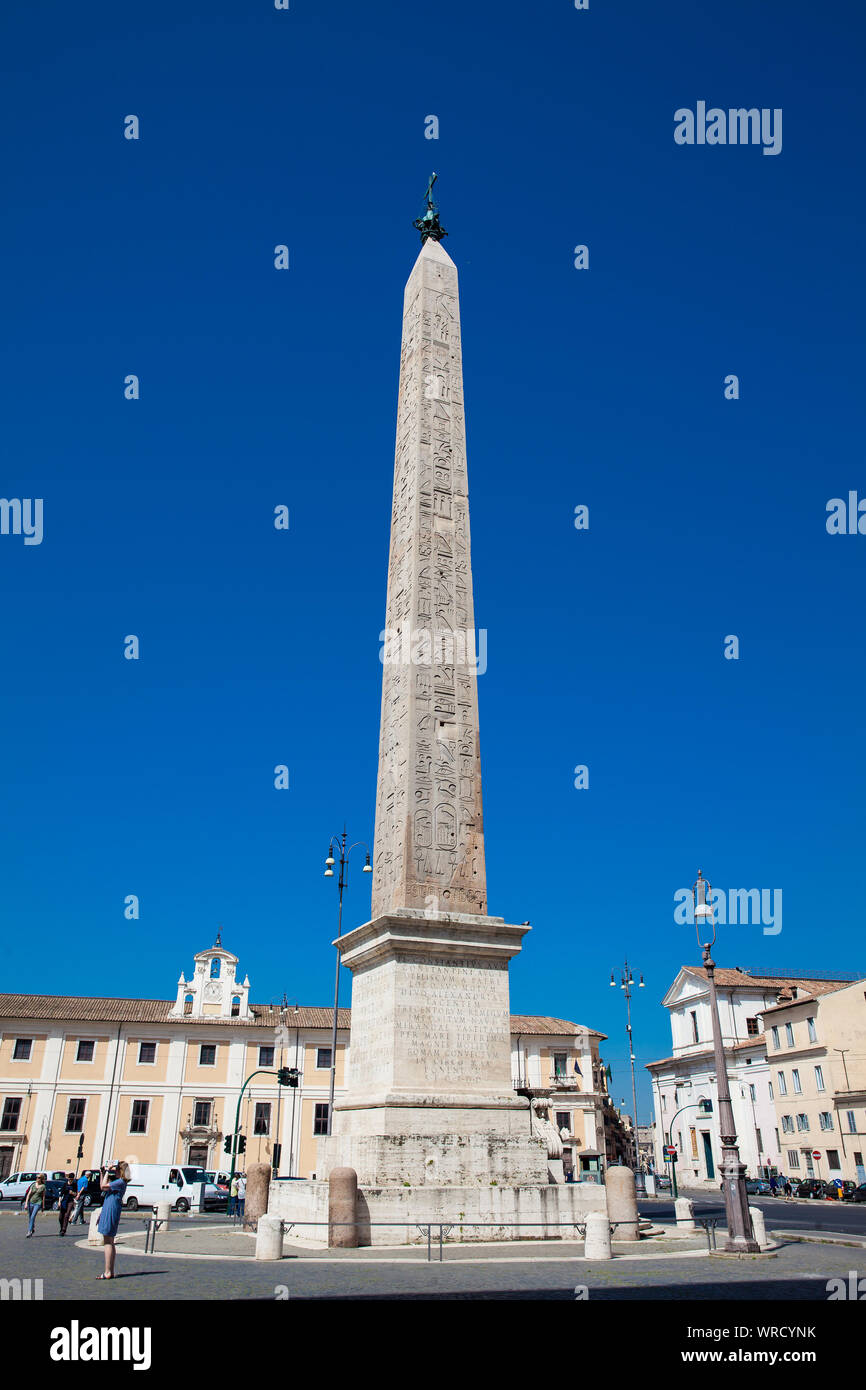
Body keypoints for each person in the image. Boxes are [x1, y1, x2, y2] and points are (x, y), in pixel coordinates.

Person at [96, 1162, 128, 1280]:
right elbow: (103, 1185)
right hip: (109, 1208)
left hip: (111, 1210)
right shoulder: (118, 1182)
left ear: (121, 1171)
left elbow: (103, 1186)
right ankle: (110, 1271)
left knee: (108, 1241)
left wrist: (107, 1172)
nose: (115, 1171)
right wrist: (102, 1173)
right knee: (109, 1241)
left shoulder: (120, 1182)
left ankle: (108, 1271)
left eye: (116, 1169)